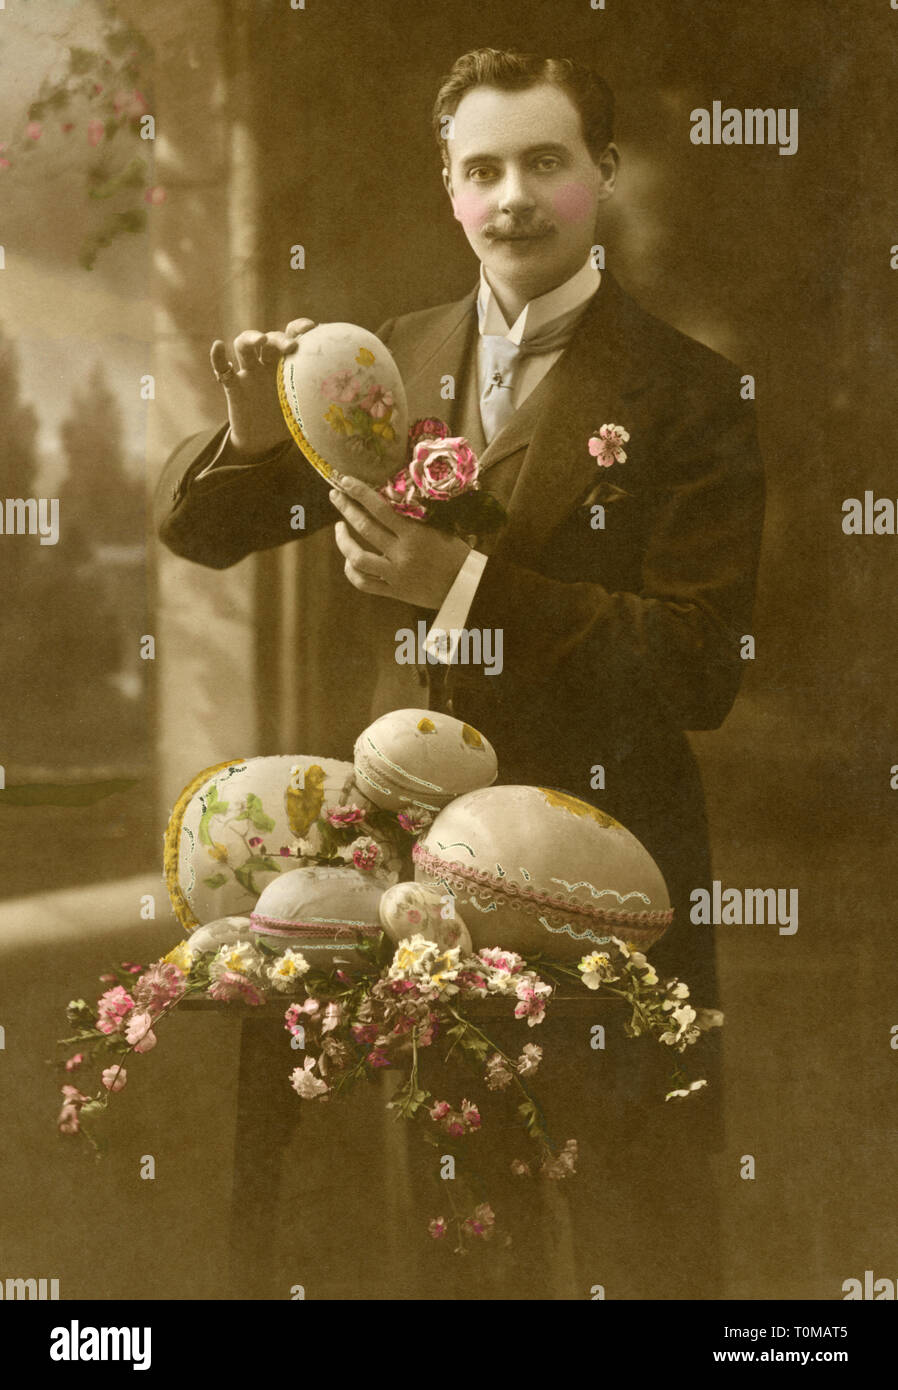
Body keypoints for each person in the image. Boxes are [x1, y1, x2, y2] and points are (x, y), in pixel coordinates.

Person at [156, 48, 765, 1297]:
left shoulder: (691, 393)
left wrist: (463, 586)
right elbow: (206, 533)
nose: (513, 199)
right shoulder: (378, 363)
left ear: (602, 170)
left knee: (635, 1219)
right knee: (438, 1224)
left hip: (607, 871)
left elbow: (700, 666)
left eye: (545, 161)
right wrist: (258, 433)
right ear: (447, 188)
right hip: (404, 871)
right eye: (480, 169)